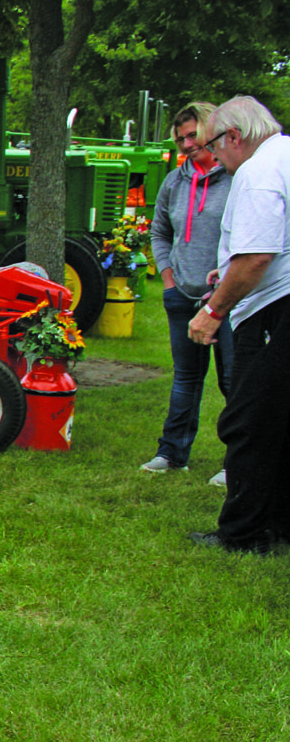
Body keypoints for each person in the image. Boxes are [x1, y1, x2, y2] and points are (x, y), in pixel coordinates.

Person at [186, 96, 290, 553]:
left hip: (273, 309)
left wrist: (213, 311)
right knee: (279, 419)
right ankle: (279, 523)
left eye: (212, 145)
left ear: (234, 137)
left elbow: (257, 257)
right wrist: (226, 271)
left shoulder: (256, 172)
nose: (214, 159)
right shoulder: (284, 155)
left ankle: (244, 533)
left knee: (248, 420)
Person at [141, 102, 233, 481]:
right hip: (182, 294)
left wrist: (226, 290)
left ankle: (237, 462)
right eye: (180, 138)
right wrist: (168, 279)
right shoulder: (174, 182)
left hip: (228, 299)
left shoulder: (236, 177)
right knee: (185, 378)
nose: (186, 144)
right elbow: (159, 231)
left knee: (233, 380)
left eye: (193, 135)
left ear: (213, 130)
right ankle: (173, 453)